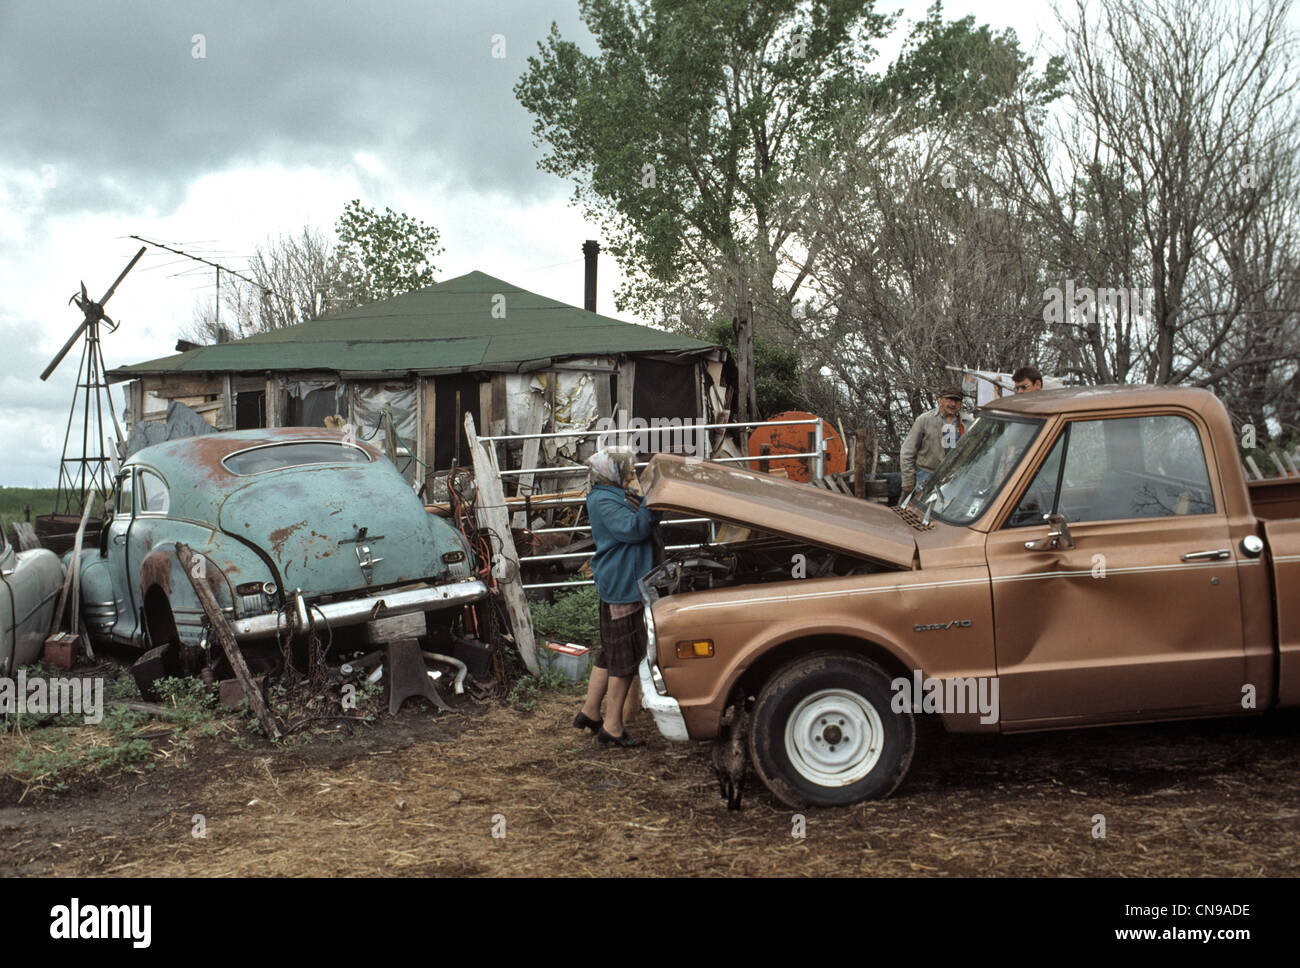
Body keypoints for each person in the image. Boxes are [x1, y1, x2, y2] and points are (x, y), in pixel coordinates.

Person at [573, 449, 662, 748]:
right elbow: (634, 529)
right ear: (611, 472)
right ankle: (612, 727)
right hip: (623, 582)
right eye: (626, 469)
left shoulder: (609, 493)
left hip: (619, 580)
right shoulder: (604, 501)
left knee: (609, 653)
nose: (630, 474)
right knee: (625, 656)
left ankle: (589, 712)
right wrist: (653, 503)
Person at [900, 385, 969, 496]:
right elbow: (907, 451)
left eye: (957, 401)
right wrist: (908, 481)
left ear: (960, 404)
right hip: (927, 475)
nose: (953, 404)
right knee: (924, 510)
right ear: (940, 401)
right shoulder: (925, 420)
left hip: (955, 476)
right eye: (949, 399)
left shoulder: (967, 422)